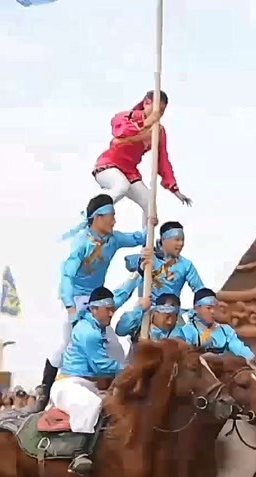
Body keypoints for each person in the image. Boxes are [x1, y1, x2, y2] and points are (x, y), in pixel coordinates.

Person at [34, 194, 152, 411]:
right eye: (111, 216)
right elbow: (67, 276)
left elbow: (141, 237)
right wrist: (70, 308)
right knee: (67, 344)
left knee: (115, 348)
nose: (114, 221)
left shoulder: (113, 239)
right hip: (78, 300)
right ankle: (44, 391)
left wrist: (150, 219)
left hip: (99, 298)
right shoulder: (81, 243)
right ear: (97, 217)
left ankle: (123, 394)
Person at [48, 286, 123, 475]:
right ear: (94, 309)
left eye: (113, 309)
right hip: (69, 384)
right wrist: (129, 368)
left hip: (89, 384)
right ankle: (79, 454)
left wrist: (137, 276)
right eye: (108, 309)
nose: (112, 313)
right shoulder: (88, 332)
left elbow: (121, 295)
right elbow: (100, 366)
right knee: (94, 404)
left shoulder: (97, 326)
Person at [93, 90, 193, 225]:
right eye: (157, 109)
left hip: (129, 171)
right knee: (121, 186)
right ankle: (93, 212)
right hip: (110, 165)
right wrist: (145, 123)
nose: (158, 114)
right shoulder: (128, 116)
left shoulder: (159, 131)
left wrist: (175, 189)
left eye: (162, 111)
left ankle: (146, 241)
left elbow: (162, 160)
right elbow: (120, 130)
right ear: (146, 103)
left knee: (149, 203)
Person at [124, 221, 205, 303]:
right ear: (163, 239)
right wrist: (141, 263)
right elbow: (129, 265)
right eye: (177, 239)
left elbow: (200, 290)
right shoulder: (147, 259)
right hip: (147, 310)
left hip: (172, 311)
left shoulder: (186, 265)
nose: (181, 243)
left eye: (182, 240)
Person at [179, 288, 254, 358]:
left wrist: (253, 360)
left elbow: (239, 349)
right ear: (196, 309)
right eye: (208, 308)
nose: (213, 311)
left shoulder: (225, 330)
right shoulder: (187, 331)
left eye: (215, 308)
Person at [116, 292, 185, 348]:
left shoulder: (177, 332)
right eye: (167, 317)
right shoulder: (140, 323)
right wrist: (139, 308)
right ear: (156, 312)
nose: (170, 322)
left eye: (174, 318)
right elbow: (121, 330)